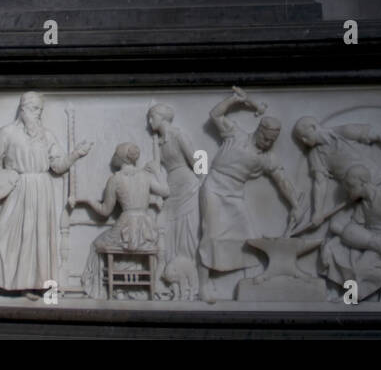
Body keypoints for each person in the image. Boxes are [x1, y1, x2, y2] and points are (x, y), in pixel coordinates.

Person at [0, 92, 91, 298]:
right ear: (23, 109)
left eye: (40, 110)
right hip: (15, 187)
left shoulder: (47, 135)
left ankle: (31, 286)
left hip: (40, 189)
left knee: (36, 239)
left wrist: (75, 154)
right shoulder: (7, 133)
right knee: (3, 235)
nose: (38, 113)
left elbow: (57, 166)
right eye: (34, 108)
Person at [197, 86, 302, 303]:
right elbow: (215, 114)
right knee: (211, 237)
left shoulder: (267, 158)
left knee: (248, 237)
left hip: (235, 194)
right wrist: (234, 100)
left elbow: (282, 180)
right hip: (214, 188)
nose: (269, 143)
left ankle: (247, 285)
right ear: (259, 130)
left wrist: (295, 204)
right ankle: (203, 286)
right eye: (266, 138)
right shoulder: (235, 134)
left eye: (273, 140)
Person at [79, 143, 170, 298]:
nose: (113, 157)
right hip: (147, 228)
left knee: (97, 245)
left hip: (127, 224)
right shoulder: (145, 176)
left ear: (120, 157)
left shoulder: (116, 179)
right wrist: (158, 172)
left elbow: (105, 211)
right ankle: (122, 287)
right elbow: (165, 191)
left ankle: (103, 289)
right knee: (126, 245)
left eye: (115, 153)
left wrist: (88, 200)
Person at [320, 164, 381, 307]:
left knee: (362, 268)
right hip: (373, 242)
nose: (348, 191)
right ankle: (352, 293)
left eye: (350, 186)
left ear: (363, 183)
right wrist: (333, 241)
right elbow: (353, 229)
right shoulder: (363, 205)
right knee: (338, 249)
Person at [289, 116, 381, 232]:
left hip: (375, 184)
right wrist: (318, 213)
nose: (303, 141)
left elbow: (379, 134)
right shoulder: (315, 155)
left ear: (313, 127)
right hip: (352, 193)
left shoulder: (344, 132)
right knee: (335, 226)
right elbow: (320, 183)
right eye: (300, 139)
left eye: (304, 136)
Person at [147, 103, 201, 290]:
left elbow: (196, 158)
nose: (149, 121)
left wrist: (203, 179)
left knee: (187, 230)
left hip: (187, 185)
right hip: (171, 186)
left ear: (161, 118)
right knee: (170, 230)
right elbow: (159, 170)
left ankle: (192, 276)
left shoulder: (178, 135)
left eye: (152, 117)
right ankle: (174, 280)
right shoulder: (159, 142)